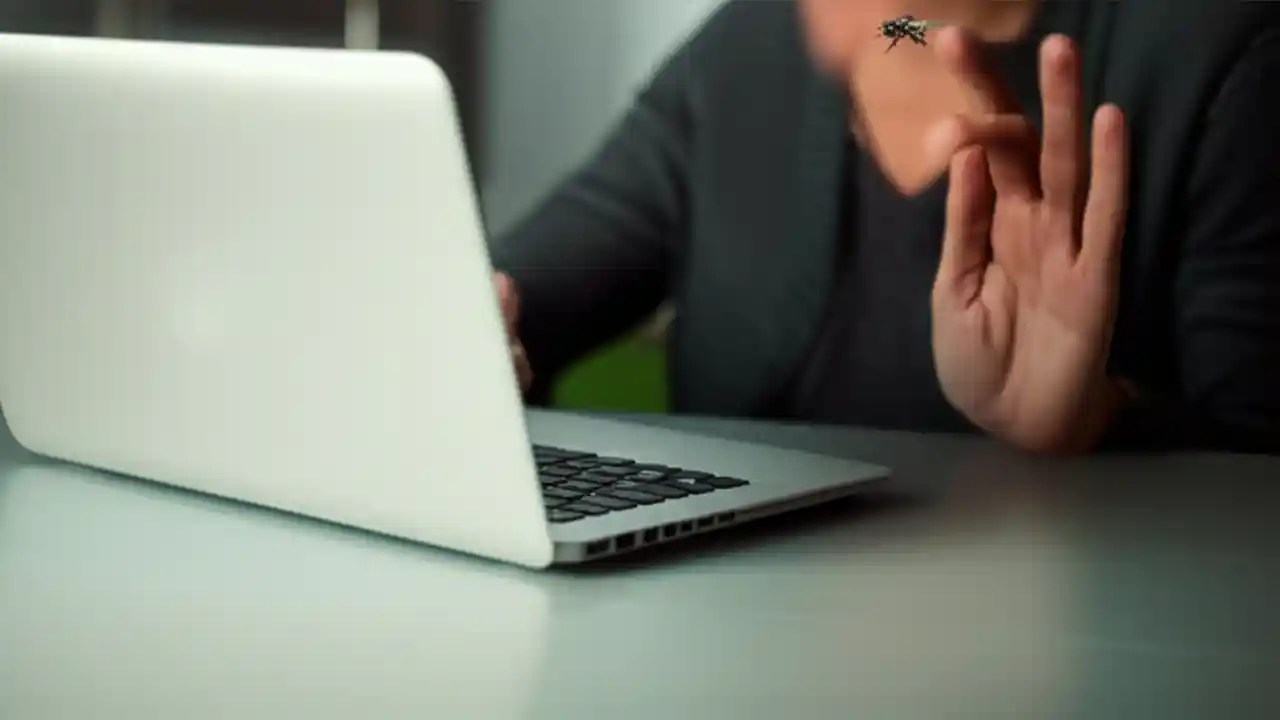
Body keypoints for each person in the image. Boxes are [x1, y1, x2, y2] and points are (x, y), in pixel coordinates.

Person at [488, 0, 1280, 455]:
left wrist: (1099, 423)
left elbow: (1257, 480)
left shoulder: (1223, 56)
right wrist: (472, 322)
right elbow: (524, 286)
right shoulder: (752, 46)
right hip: (751, 654)